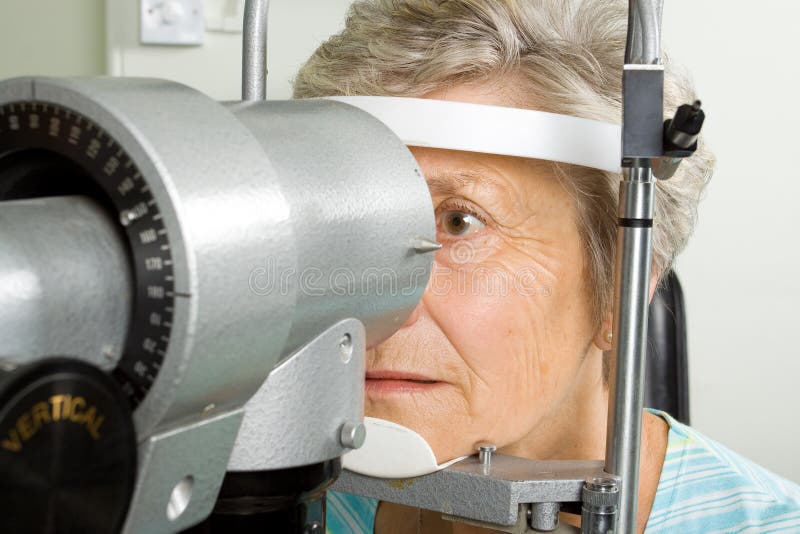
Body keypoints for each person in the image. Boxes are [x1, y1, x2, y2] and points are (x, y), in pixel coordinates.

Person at [293, 0, 800, 531]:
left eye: (461, 222)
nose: (380, 305)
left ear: (619, 289)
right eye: (349, 220)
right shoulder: (287, 500)